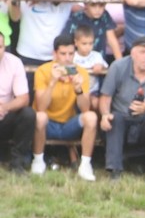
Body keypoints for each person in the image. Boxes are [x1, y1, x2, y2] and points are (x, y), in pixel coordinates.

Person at [98, 36, 145, 184]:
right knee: (114, 118)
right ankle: (115, 171)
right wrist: (105, 115)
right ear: (132, 53)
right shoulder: (118, 67)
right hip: (121, 117)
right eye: (143, 52)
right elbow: (105, 98)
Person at [31, 34, 97, 181]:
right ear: (54, 54)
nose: (67, 58)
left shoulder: (81, 72)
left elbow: (86, 109)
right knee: (40, 116)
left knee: (91, 117)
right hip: (47, 123)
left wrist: (78, 89)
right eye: (63, 54)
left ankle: (85, 165)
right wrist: (52, 82)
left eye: (71, 53)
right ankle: (38, 160)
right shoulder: (43, 71)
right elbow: (41, 107)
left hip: (68, 124)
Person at [0, 31, 33, 171]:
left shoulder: (14, 62)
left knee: (28, 114)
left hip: (4, 116)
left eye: (0, 47)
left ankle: (17, 162)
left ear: (5, 47)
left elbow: (23, 98)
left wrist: (5, 107)